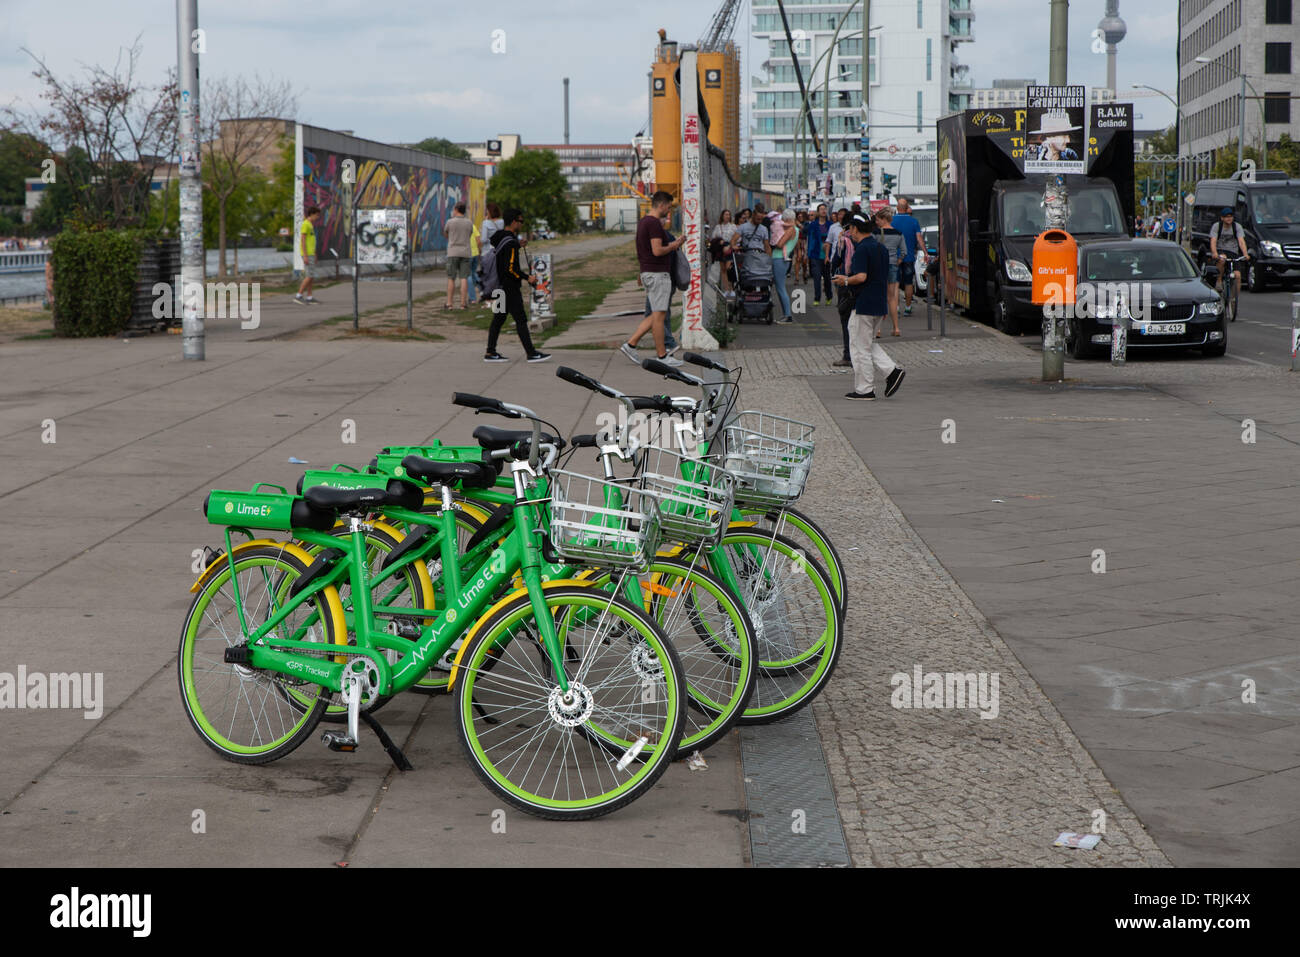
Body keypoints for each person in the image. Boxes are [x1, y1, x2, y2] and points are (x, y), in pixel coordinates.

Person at [833, 212, 904, 401]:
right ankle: (891, 371)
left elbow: (861, 276)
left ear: (855, 228)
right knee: (866, 343)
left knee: (858, 346)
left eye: (850, 229)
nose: (849, 233)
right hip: (878, 302)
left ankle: (865, 389)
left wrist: (845, 280)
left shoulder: (862, 249)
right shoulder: (880, 248)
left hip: (863, 303)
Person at [621, 190, 684, 366]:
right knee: (659, 316)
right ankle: (662, 356)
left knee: (656, 313)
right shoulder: (654, 224)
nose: (669, 210)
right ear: (661, 205)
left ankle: (631, 344)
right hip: (658, 274)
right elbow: (657, 250)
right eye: (669, 207)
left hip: (649, 272)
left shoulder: (644, 222)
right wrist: (674, 245)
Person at [484, 208, 549, 363]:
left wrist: (517, 246)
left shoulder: (501, 238)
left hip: (498, 287)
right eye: (520, 221)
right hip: (509, 288)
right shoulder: (510, 242)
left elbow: (504, 257)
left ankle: (490, 352)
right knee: (520, 319)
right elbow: (511, 268)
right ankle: (531, 353)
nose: (521, 224)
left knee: (498, 319)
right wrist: (528, 278)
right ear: (513, 221)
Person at [830, 212, 857, 368]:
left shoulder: (844, 239)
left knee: (845, 318)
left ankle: (848, 355)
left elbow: (836, 260)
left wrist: (833, 274)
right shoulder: (868, 239)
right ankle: (858, 354)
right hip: (862, 283)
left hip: (846, 281)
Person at [874, 206, 905, 337]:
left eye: (877, 220)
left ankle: (878, 329)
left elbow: (872, 249)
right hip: (892, 265)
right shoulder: (898, 233)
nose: (876, 222)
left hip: (879, 266)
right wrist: (897, 261)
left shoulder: (875, 233)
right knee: (892, 298)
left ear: (883, 219)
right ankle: (896, 328)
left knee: (879, 296)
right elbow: (904, 252)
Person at [892, 197, 924, 316]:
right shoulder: (914, 222)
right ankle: (908, 307)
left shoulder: (891, 221)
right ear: (907, 208)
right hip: (909, 257)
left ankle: (897, 307)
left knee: (895, 283)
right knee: (908, 283)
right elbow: (919, 238)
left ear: (897, 208)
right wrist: (925, 252)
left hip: (894, 258)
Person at [1209, 206, 1249, 298]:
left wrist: (1245, 254)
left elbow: (1241, 241)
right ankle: (1219, 281)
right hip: (1221, 250)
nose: (1229, 218)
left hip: (1233, 252)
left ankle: (1234, 299)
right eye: (1226, 216)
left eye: (1231, 216)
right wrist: (1214, 253)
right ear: (1222, 218)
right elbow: (1213, 241)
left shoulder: (1237, 227)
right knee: (1222, 259)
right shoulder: (1217, 226)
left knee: (1238, 275)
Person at [443, 201, 474, 310]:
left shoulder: (450, 222)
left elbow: (445, 233)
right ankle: (463, 304)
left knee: (451, 278)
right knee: (463, 278)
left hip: (452, 252)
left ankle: (449, 304)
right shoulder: (469, 223)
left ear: (456, 210)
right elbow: (470, 234)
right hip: (465, 252)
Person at [770, 209, 798, 323]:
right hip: (783, 258)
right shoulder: (796, 229)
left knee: (781, 287)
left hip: (779, 258)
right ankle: (785, 314)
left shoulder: (791, 229)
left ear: (786, 219)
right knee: (779, 287)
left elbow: (780, 244)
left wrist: (775, 239)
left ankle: (787, 315)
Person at [805, 203, 833, 305]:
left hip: (827, 255)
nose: (823, 211)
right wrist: (808, 254)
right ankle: (817, 298)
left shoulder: (830, 225)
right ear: (818, 211)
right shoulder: (813, 225)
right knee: (816, 277)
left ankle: (829, 296)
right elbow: (810, 240)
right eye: (821, 209)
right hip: (815, 254)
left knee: (827, 278)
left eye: (825, 209)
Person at [294, 205, 322, 304]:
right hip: (307, 254)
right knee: (309, 275)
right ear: (312, 214)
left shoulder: (310, 225)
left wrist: (314, 254)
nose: (318, 217)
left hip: (311, 253)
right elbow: (303, 240)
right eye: (317, 215)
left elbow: (312, 241)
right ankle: (299, 295)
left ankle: (309, 296)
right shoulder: (306, 224)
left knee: (311, 275)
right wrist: (305, 255)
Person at [711, 209, 738, 293]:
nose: (727, 216)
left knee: (729, 268)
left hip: (729, 247)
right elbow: (713, 237)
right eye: (726, 214)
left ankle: (731, 288)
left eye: (728, 214)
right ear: (722, 216)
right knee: (723, 269)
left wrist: (731, 245)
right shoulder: (718, 226)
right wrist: (719, 241)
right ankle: (726, 289)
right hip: (721, 248)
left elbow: (737, 237)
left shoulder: (733, 226)